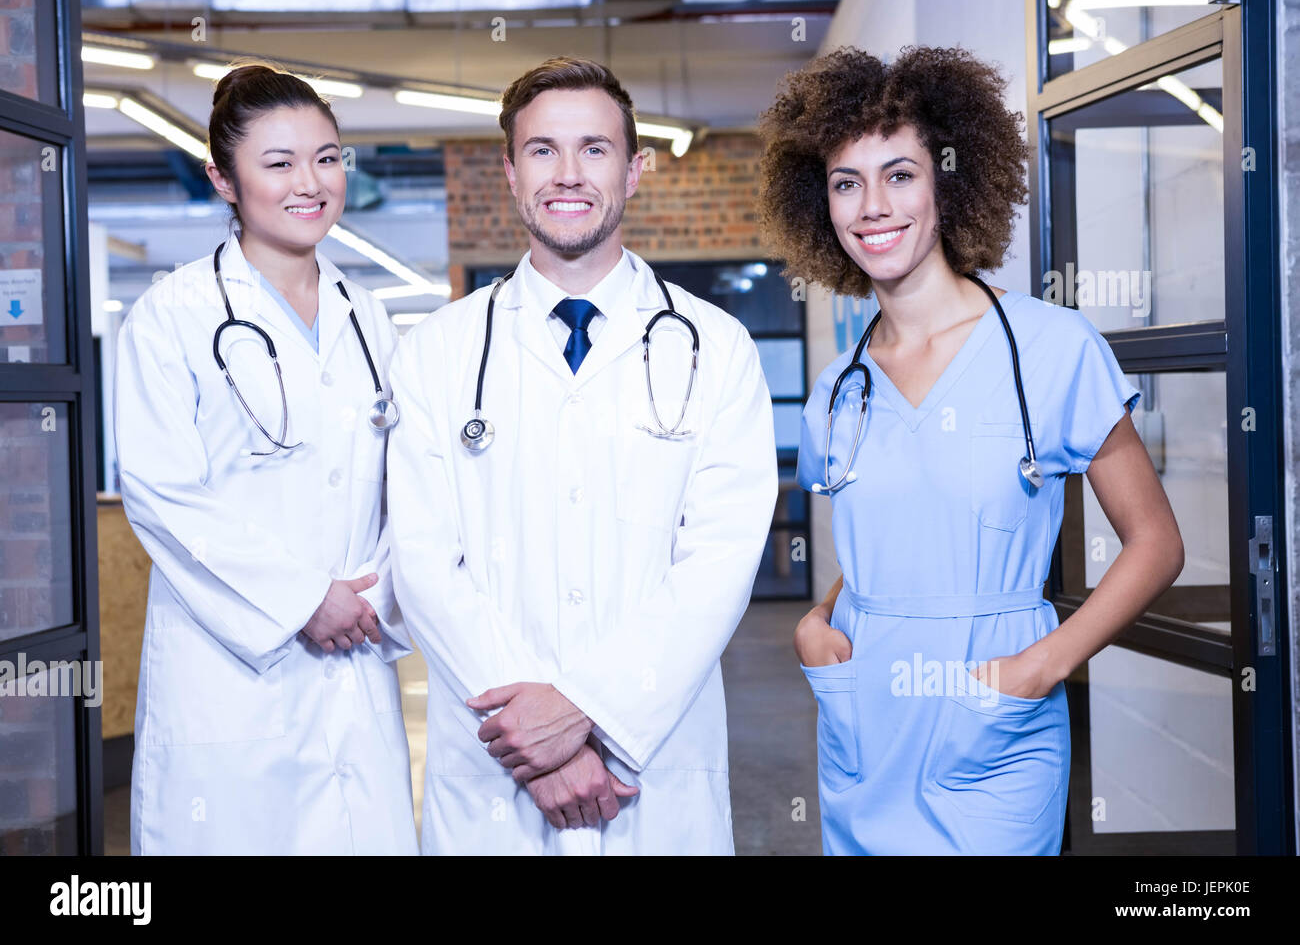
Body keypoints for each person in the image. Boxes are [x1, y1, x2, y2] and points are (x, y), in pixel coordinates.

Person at [756, 46, 1185, 855]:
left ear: (949, 183)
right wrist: (819, 620)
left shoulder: (1050, 349)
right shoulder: (836, 390)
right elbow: (899, 534)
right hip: (865, 719)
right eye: (847, 183)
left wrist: (1045, 665)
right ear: (823, 206)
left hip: (996, 724)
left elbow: (1157, 545)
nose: (872, 206)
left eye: (900, 175)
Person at [386, 56, 778, 854]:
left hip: (649, 756)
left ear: (635, 171)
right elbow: (426, 562)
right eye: (542, 151)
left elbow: (720, 560)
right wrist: (538, 743)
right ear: (509, 171)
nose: (568, 174)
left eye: (595, 150)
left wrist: (591, 711)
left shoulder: (716, 346)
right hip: (498, 763)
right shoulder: (436, 351)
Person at [115, 63, 418, 855]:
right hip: (228, 671)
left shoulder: (370, 320)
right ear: (223, 178)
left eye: (326, 157)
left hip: (354, 653)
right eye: (277, 163)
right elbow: (161, 494)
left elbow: (408, 482)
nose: (309, 183)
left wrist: (371, 596)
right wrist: (298, 599)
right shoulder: (173, 316)